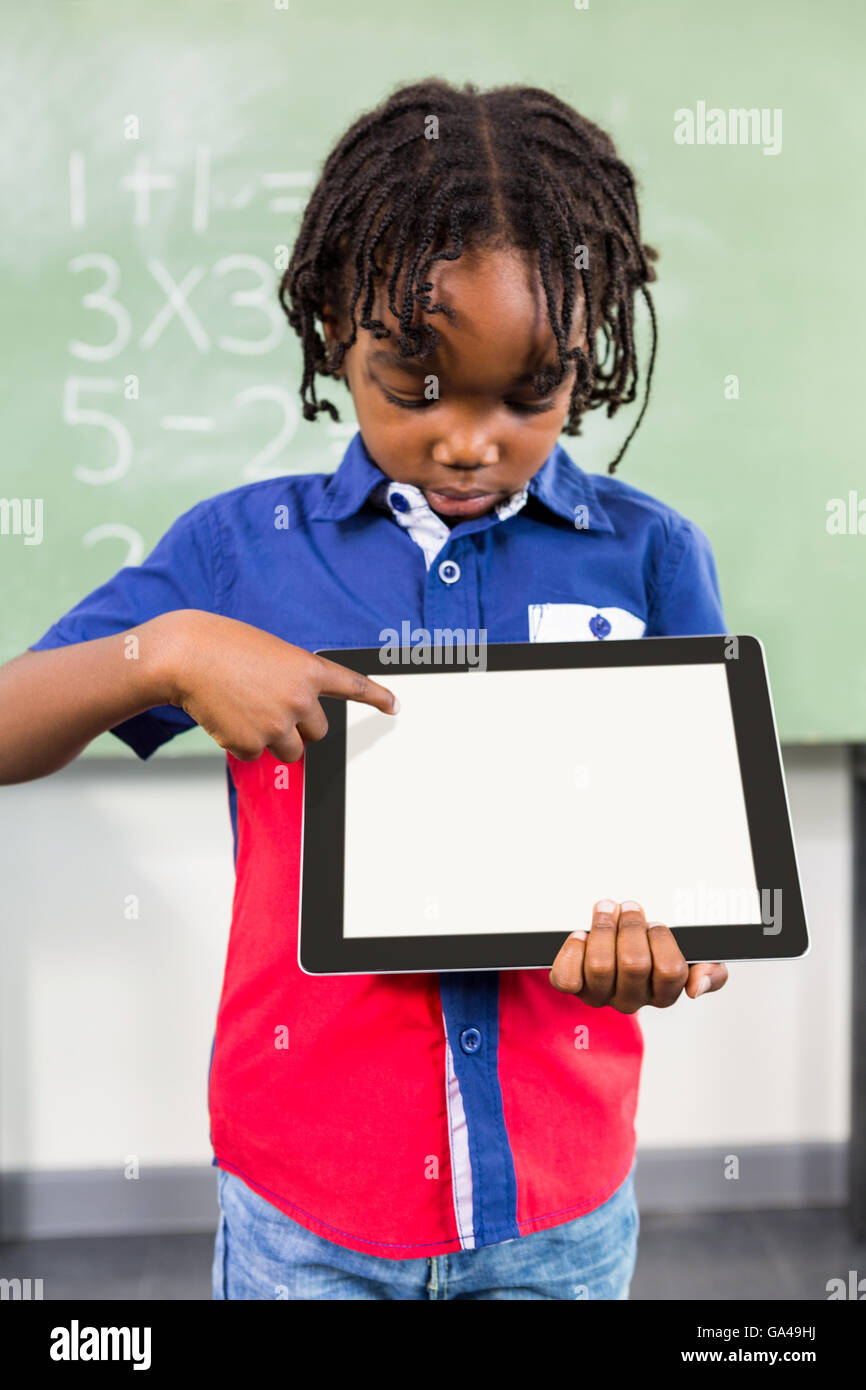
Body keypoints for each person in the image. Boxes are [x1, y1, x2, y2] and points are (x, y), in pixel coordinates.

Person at [0, 79, 728, 1299]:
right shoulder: (241, 554)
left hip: (560, 1200)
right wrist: (168, 650)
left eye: (529, 392)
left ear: (588, 354)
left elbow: (702, 883)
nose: (467, 440)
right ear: (336, 324)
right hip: (307, 1207)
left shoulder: (648, 554)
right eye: (415, 385)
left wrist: (680, 949)